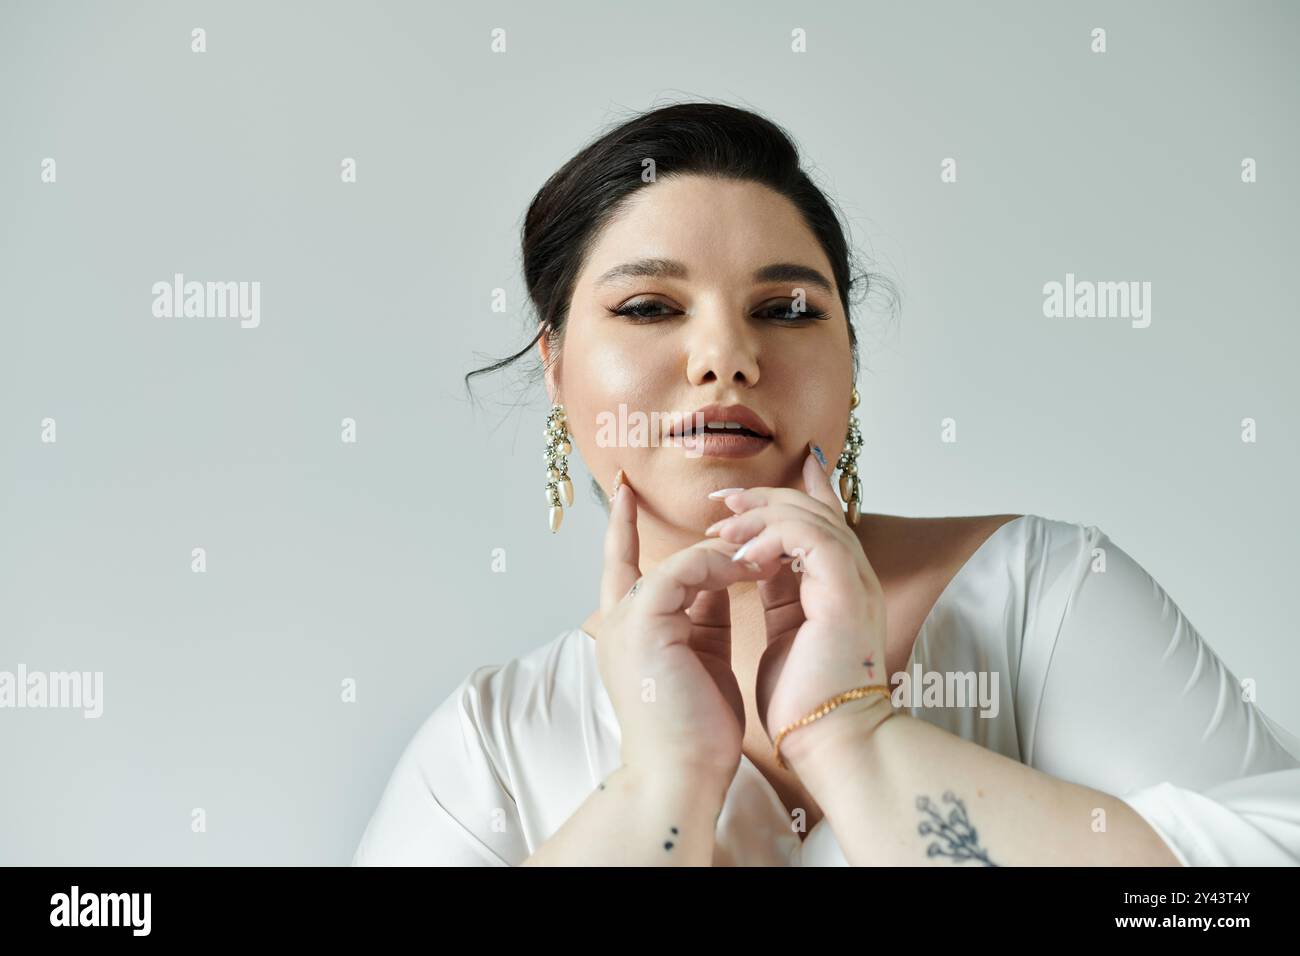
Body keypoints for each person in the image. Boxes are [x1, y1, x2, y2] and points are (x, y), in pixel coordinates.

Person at [352, 101, 1300, 866]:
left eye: (786, 309)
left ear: (850, 361)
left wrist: (855, 737)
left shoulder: (1038, 595)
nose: (726, 354)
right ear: (556, 368)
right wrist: (662, 786)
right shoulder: (492, 744)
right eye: (649, 307)